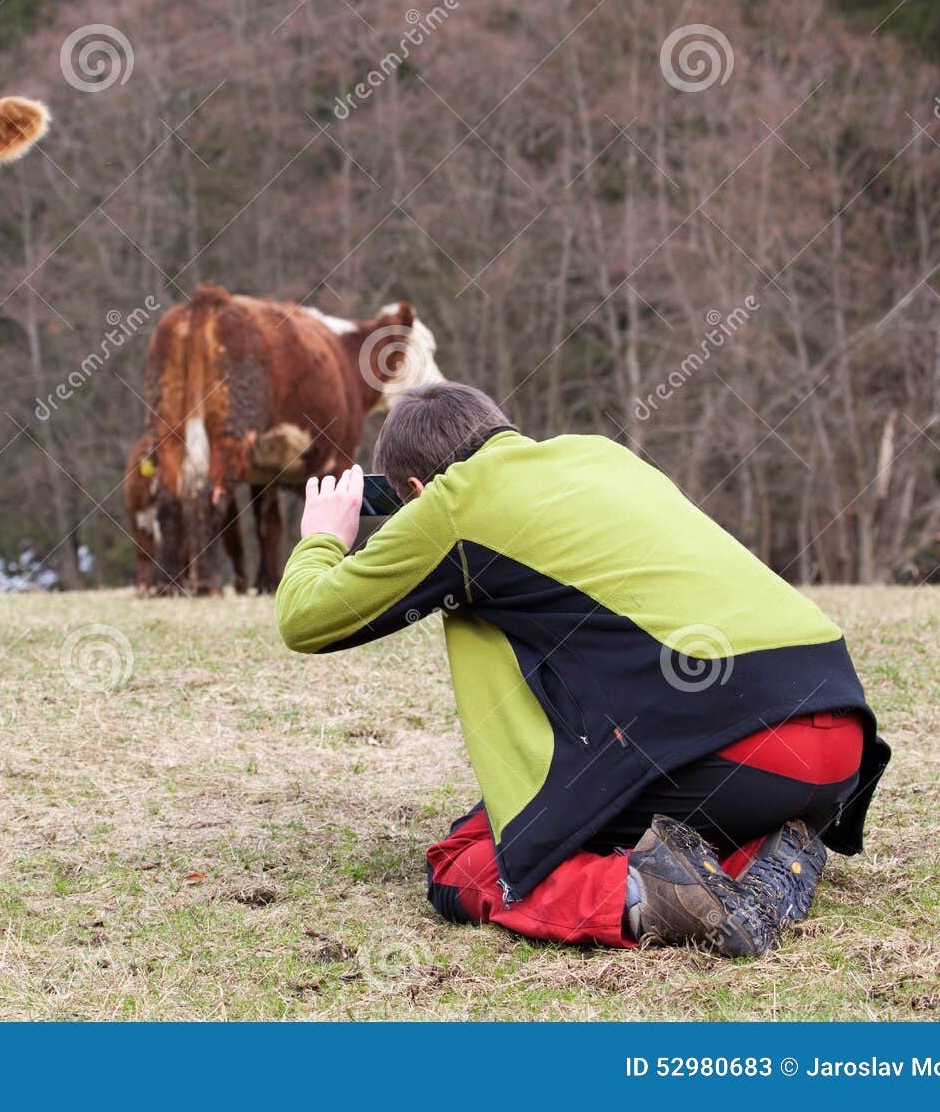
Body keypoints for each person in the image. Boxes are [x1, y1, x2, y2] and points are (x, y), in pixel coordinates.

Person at [275, 382, 890, 955]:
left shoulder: (450, 506)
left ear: (414, 491)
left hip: (742, 752)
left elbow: (305, 618)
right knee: (560, 811)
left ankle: (653, 895)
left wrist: (324, 536)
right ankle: (760, 855)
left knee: (466, 859)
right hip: (840, 742)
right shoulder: (603, 456)